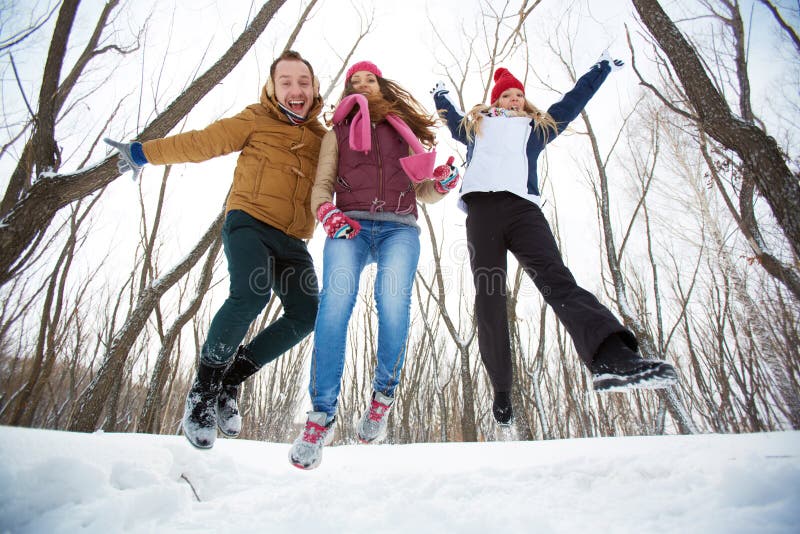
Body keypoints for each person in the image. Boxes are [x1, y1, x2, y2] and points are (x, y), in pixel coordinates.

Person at [431, 51, 677, 426]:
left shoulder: (536, 128)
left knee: (558, 282)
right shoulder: (476, 127)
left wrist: (600, 70)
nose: (514, 100)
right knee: (490, 296)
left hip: (523, 212)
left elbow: (572, 102)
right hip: (482, 212)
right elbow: (450, 118)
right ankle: (501, 388)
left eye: (519, 95)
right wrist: (440, 95)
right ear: (495, 100)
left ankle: (613, 358)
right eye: (507, 95)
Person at [104, 50, 327, 449]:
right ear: (273, 89)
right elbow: (203, 142)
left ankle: (230, 380)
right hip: (250, 223)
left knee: (309, 313)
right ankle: (203, 392)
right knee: (251, 294)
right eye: (287, 82)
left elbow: (356, 174)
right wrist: (143, 152)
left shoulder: (324, 139)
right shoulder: (255, 119)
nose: (296, 89)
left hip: (294, 240)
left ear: (314, 89)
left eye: (304, 82)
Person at [288, 60, 459, 469]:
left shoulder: (406, 133)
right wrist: (325, 212)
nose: (363, 85)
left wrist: (441, 184)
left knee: (392, 304)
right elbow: (322, 185)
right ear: (348, 92)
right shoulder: (337, 134)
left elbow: (423, 190)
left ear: (381, 87)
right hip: (351, 226)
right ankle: (321, 416)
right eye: (355, 81)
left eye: (369, 80)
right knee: (333, 309)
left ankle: (383, 396)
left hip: (399, 227)